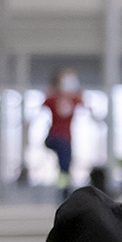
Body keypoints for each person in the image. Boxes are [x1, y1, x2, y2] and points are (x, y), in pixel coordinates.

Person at [42, 68, 85, 196]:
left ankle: (64, 186)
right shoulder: (57, 98)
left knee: (65, 164)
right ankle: (64, 189)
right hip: (58, 138)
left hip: (61, 139)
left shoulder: (66, 98)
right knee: (65, 165)